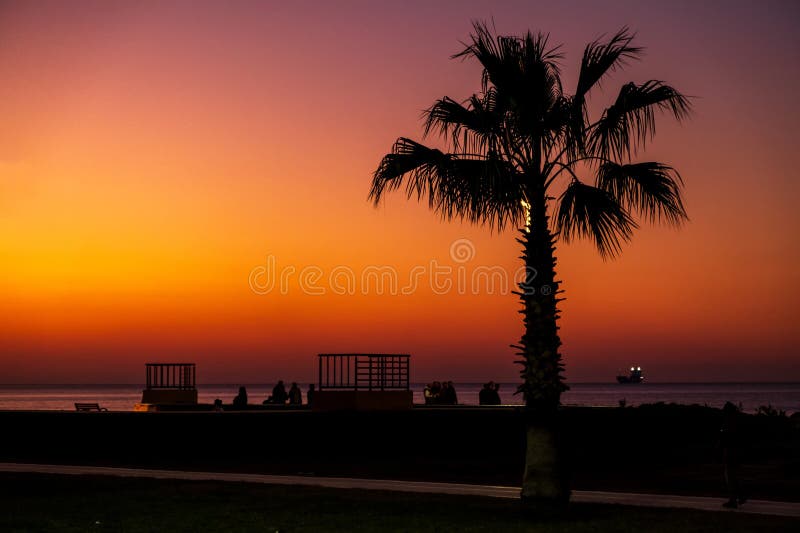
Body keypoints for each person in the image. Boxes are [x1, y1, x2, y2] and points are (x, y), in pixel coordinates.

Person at [720, 401, 747, 508]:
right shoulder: (737, 421)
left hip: (731, 452)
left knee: (730, 477)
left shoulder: (729, 423)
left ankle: (734, 499)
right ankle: (739, 496)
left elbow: (725, 438)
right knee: (734, 476)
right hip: (737, 452)